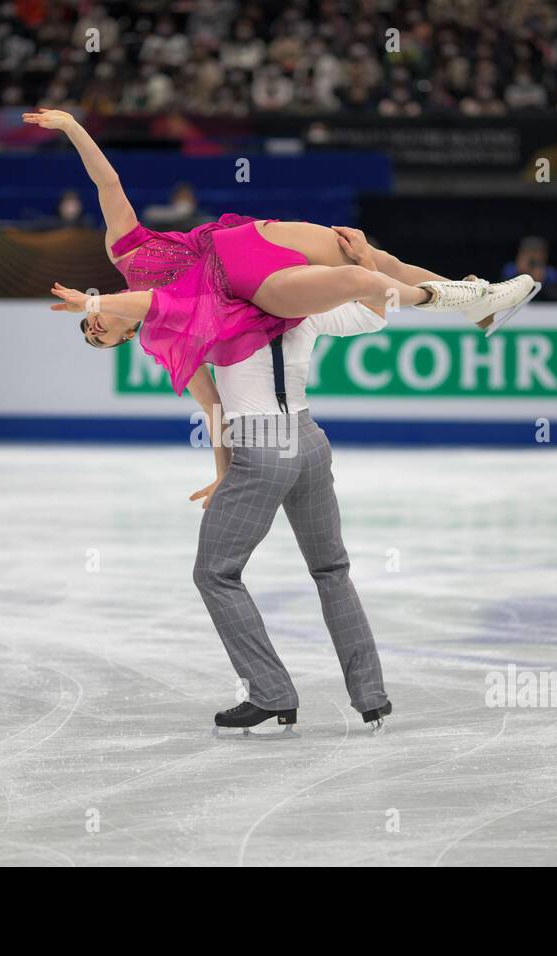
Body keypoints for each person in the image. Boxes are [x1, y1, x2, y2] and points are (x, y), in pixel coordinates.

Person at [24, 109, 537, 395]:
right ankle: (471, 302)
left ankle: (481, 305)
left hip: (249, 241)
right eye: (99, 338)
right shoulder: (158, 330)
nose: (93, 331)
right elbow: (209, 405)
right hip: (254, 289)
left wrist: (71, 127)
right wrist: (94, 304)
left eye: (88, 328)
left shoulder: (126, 256)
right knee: (367, 281)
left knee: (380, 260)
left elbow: (108, 182)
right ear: (124, 337)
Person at [184, 225, 392, 735]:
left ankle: (270, 691)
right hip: (309, 440)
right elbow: (375, 309)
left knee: (215, 573)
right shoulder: (308, 307)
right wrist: (365, 258)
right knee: (331, 569)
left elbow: (206, 395)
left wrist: (96, 306)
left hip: (262, 443)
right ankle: (370, 696)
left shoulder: (216, 308)